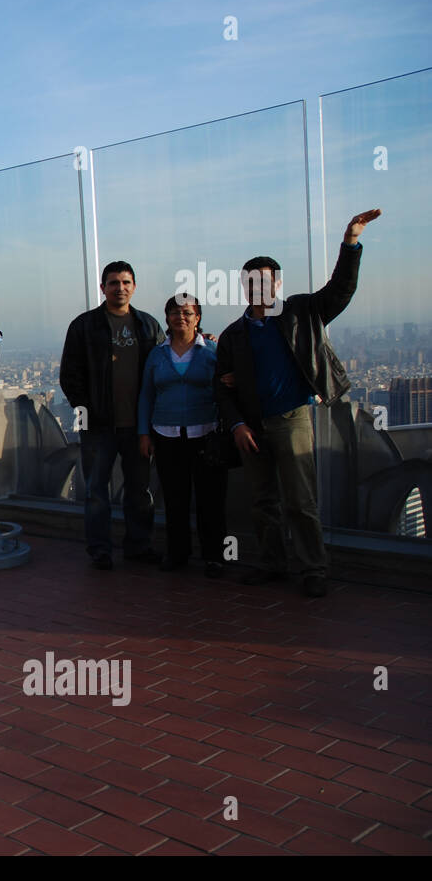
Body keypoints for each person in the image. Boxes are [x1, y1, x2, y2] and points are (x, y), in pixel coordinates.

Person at [216, 209, 381, 598]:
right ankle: (272, 563)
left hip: (292, 418)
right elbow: (220, 387)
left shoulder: (302, 312)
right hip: (252, 426)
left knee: (301, 501)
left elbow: (341, 290)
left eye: (267, 282)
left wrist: (351, 242)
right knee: (263, 501)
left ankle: (312, 568)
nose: (260, 289)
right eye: (253, 283)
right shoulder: (233, 335)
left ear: (277, 284)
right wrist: (237, 424)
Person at [59, 261, 166, 570]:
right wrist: (86, 413)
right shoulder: (84, 325)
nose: (120, 288)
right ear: (103, 287)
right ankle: (100, 550)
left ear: (134, 287)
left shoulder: (148, 325)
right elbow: (70, 375)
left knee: (139, 491)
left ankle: (138, 546)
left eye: (126, 282)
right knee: (95, 491)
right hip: (98, 426)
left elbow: (163, 363)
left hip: (139, 426)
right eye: (114, 282)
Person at [137, 295, 227, 577]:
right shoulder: (157, 354)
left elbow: (226, 389)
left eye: (188, 312)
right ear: (167, 318)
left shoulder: (211, 351)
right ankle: (177, 553)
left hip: (206, 434)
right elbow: (146, 396)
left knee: (210, 500)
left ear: (198, 317)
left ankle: (215, 556)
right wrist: (144, 433)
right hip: (166, 435)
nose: (181, 317)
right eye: (175, 312)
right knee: (175, 499)